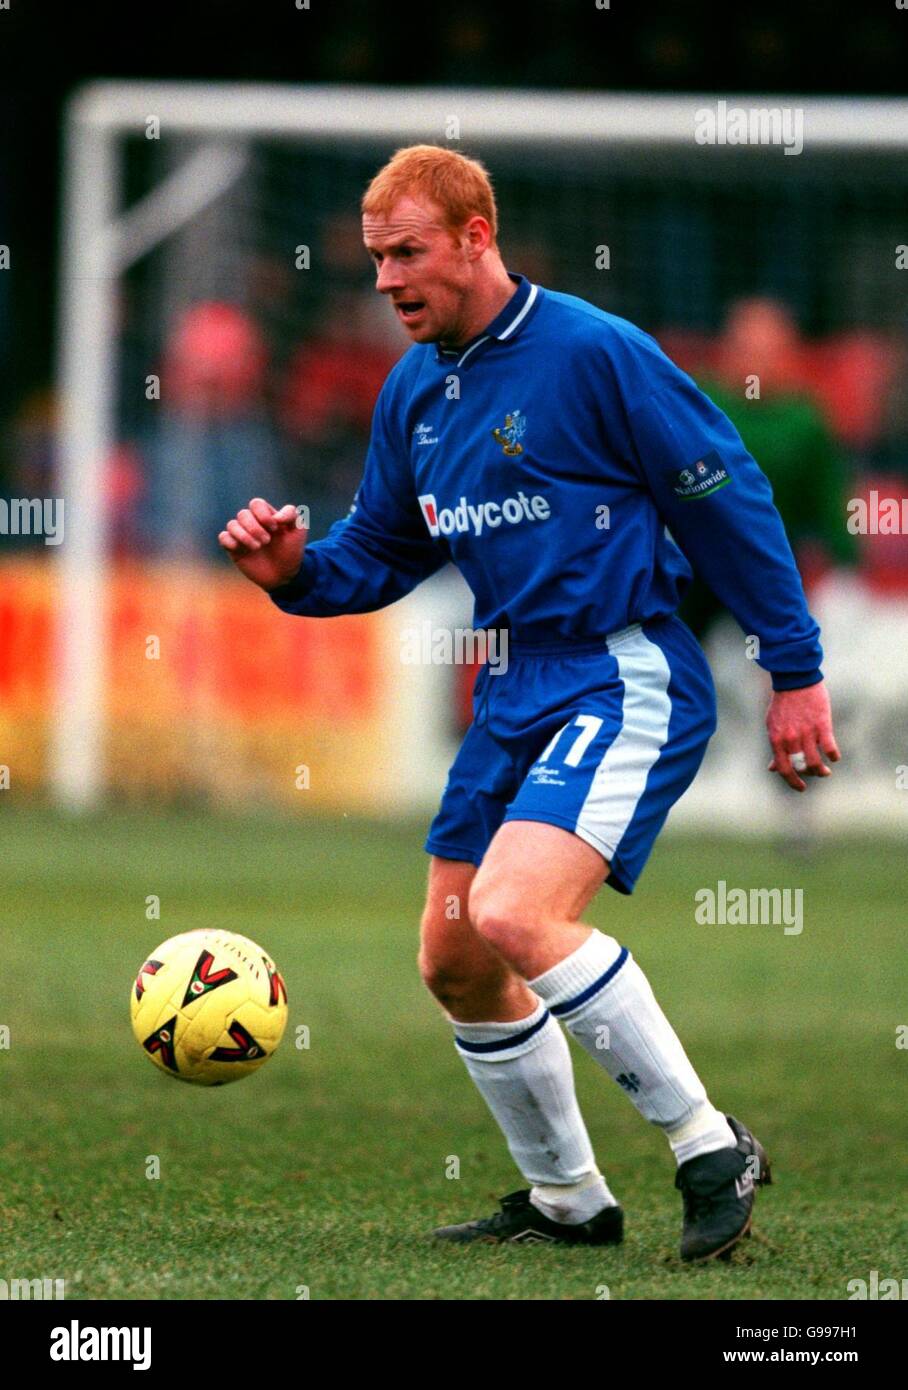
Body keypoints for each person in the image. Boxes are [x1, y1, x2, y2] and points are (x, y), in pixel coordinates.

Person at [218, 146, 840, 1262]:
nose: (384, 280)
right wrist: (296, 577)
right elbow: (381, 548)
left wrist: (790, 668)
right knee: (456, 955)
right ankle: (568, 1201)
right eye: (372, 260)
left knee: (514, 912)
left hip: (620, 666)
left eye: (405, 252)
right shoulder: (411, 388)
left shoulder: (595, 352)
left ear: (473, 235)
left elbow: (723, 492)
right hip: (514, 687)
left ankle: (707, 1144)